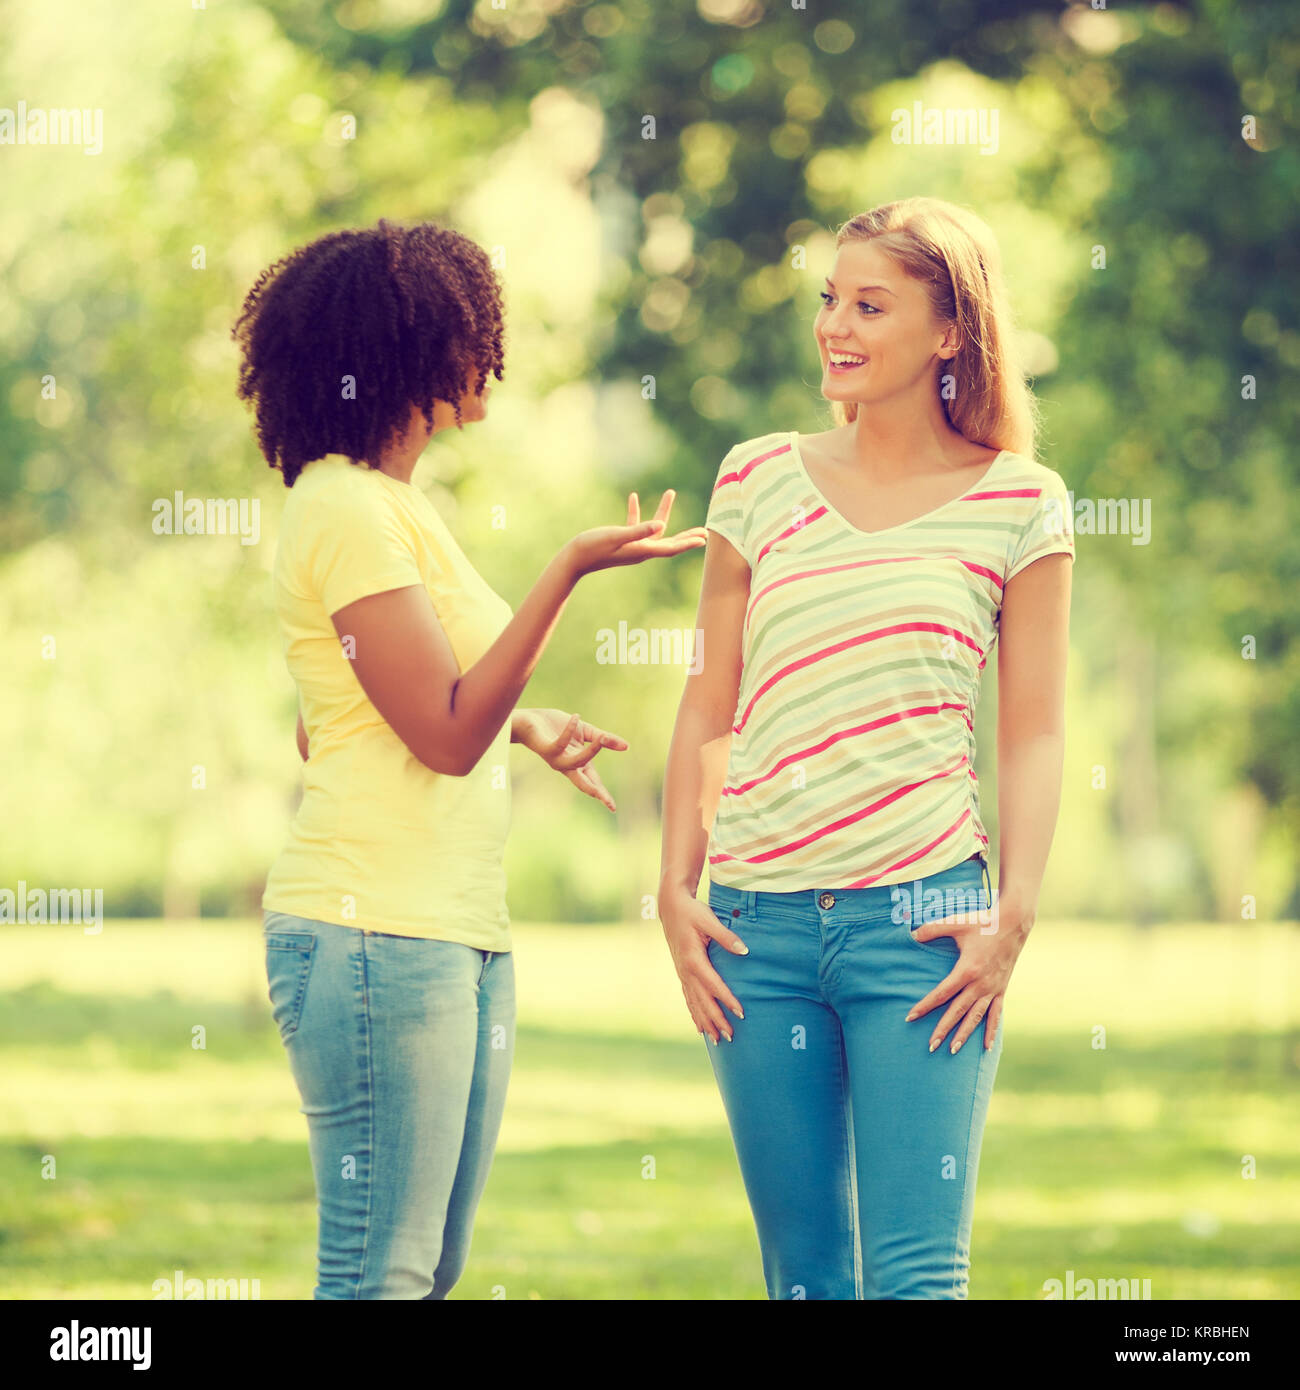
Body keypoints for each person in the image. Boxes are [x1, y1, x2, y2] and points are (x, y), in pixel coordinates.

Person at [232, 217, 704, 1299]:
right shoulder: (347, 508)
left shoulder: (391, 507)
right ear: (404, 351)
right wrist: (569, 568)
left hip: (450, 929)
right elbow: (442, 735)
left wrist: (527, 723)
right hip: (372, 931)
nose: (488, 352)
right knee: (378, 1274)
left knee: (427, 1271)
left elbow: (336, 723)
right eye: (465, 331)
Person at [658, 196, 1076, 1299]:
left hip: (924, 930)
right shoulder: (754, 477)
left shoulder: (1020, 502)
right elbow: (709, 705)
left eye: (869, 305)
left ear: (949, 332)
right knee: (803, 1277)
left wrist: (1013, 910)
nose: (834, 327)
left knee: (916, 1277)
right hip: (756, 932)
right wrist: (672, 887)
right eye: (829, 301)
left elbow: (1032, 731)